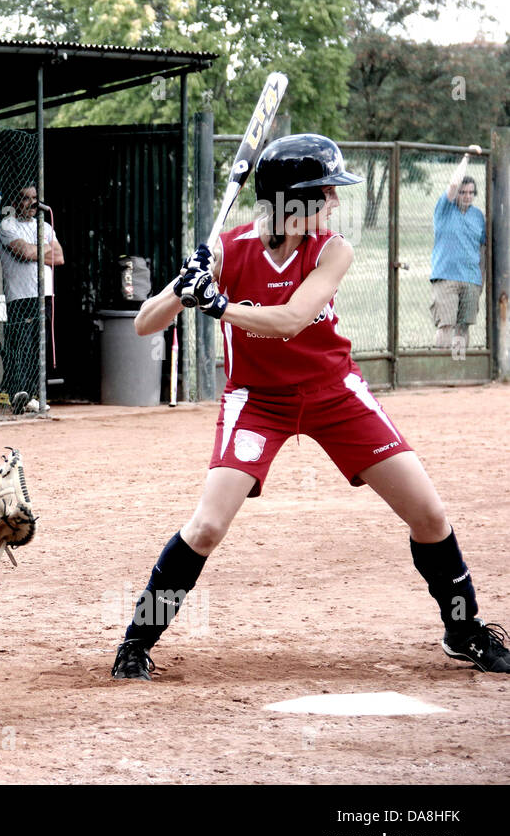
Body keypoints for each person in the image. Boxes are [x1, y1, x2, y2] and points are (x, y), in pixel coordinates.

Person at [110, 134, 509, 682]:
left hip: (333, 391)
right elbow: (143, 323)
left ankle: (464, 630)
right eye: (326, 192)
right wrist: (186, 284)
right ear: (290, 200)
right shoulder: (228, 249)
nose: (335, 203)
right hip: (258, 400)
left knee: (429, 515)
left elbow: (291, 320)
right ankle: (136, 642)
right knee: (205, 527)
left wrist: (220, 304)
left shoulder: (332, 249)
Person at [0, 183, 63, 414]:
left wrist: (35, 251)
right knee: (21, 346)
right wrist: (43, 250)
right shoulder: (8, 225)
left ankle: (35, 394)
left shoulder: (44, 226)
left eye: (35, 198)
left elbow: (60, 257)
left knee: (39, 345)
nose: (32, 203)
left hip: (44, 295)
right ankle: (19, 395)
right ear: (15, 203)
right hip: (21, 295)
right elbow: (23, 252)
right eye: (26, 199)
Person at [430, 145, 486, 361]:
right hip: (446, 277)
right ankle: (441, 368)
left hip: (471, 279)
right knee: (446, 325)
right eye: (463, 192)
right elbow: (453, 184)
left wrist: (480, 280)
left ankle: (458, 366)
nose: (467, 196)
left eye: (471, 192)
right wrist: (467, 157)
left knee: (463, 328)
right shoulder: (445, 209)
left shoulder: (478, 216)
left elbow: (482, 250)